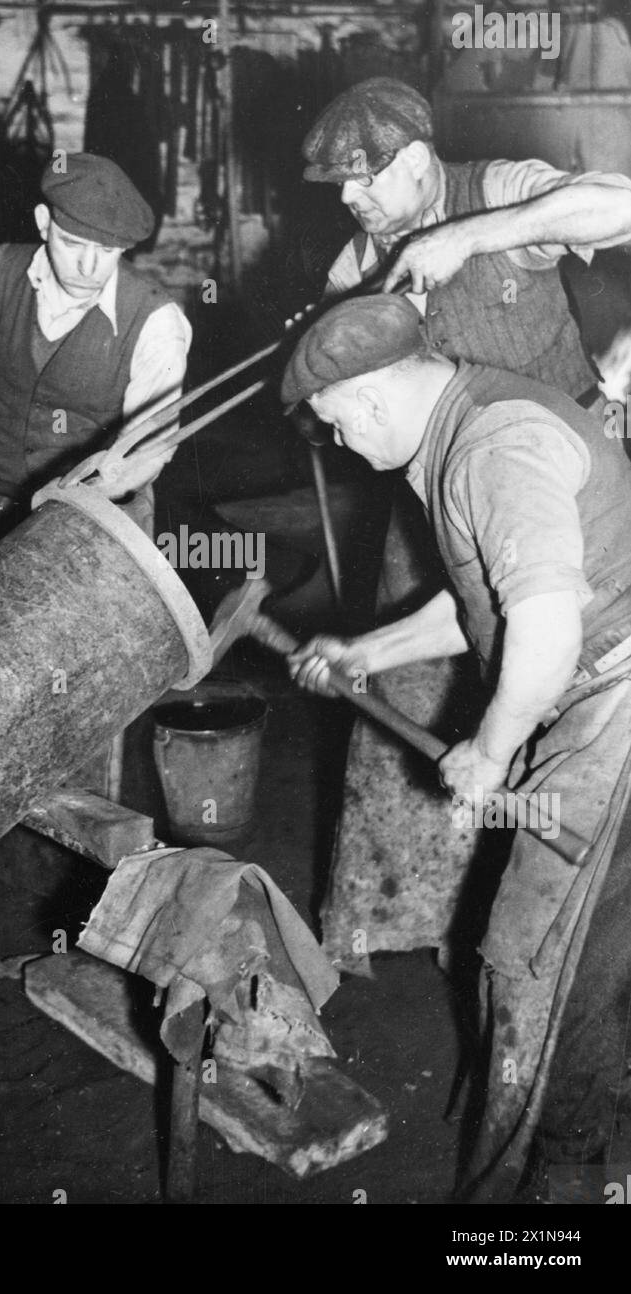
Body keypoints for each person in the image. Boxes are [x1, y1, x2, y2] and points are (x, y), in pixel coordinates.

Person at [282, 294, 631, 1201]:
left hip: (614, 706)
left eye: (334, 427)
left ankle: (538, 1215)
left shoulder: (488, 449)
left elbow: (546, 625)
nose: (344, 448)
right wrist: (366, 652)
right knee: (588, 958)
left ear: (363, 396)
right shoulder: (468, 419)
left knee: (534, 965)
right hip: (601, 696)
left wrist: (489, 748)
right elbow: (482, 594)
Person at [302, 76, 631, 401]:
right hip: (467, 451)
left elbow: (622, 208)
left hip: (570, 440)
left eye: (365, 179)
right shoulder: (353, 264)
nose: (347, 196)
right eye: (340, 183)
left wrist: (465, 237)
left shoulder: (497, 191)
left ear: (415, 159)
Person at [0, 153, 191, 540]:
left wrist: (83, 498)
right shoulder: (0, 271)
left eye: (107, 252)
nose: (88, 267)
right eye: (74, 244)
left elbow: (149, 448)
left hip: (101, 527)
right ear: (44, 223)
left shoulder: (156, 321)